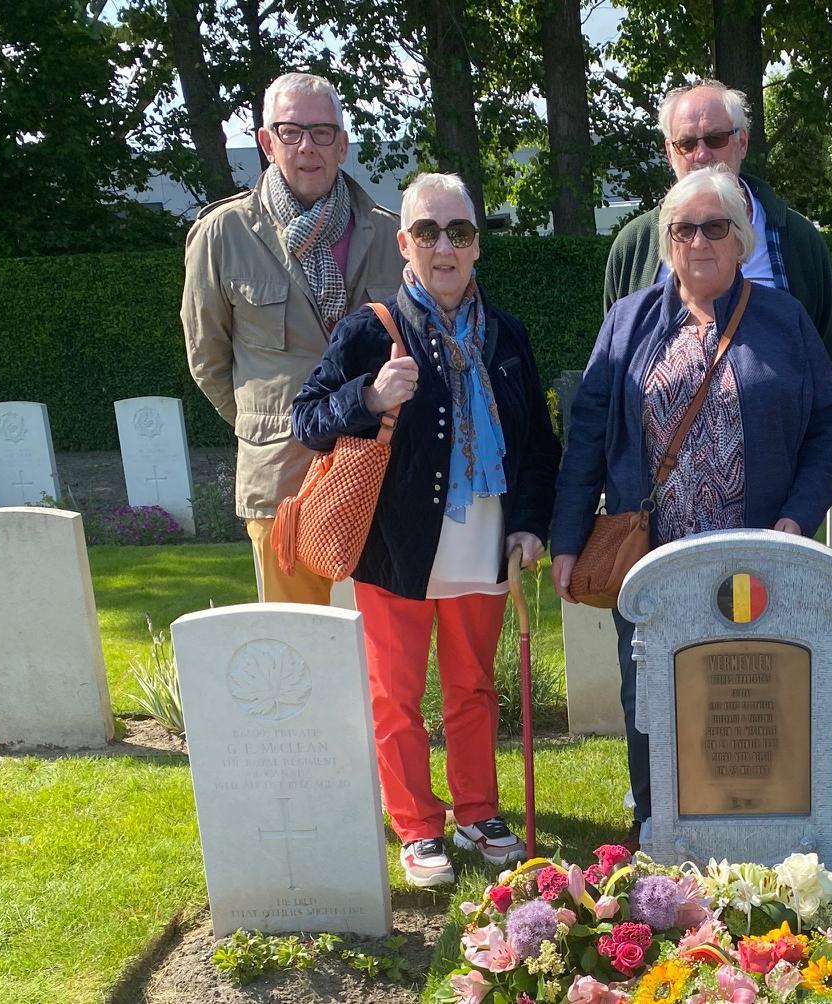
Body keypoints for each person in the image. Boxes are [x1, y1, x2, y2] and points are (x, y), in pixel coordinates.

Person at [552, 166, 832, 849]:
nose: (700, 242)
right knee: (652, 695)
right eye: (684, 229)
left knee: (752, 693)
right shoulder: (628, 323)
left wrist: (796, 518)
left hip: (758, 554)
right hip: (656, 561)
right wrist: (567, 537)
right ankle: (660, 833)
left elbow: (829, 427)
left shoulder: (784, 320)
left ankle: (763, 835)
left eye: (716, 227)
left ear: (741, 240)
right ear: (666, 242)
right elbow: (588, 435)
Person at [291, 172, 561, 888]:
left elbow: (538, 446)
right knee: (397, 695)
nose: (445, 247)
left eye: (459, 232)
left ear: (477, 245)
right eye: (428, 232)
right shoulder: (369, 329)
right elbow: (307, 419)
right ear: (404, 243)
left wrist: (530, 524)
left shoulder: (507, 334)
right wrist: (369, 395)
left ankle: (477, 811)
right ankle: (416, 824)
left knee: (473, 688)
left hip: (485, 542)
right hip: (396, 549)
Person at [183, 71, 403, 604]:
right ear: (266, 141)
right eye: (291, 131)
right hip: (282, 479)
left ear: (342, 145)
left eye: (322, 132)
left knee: (384, 643)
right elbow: (207, 358)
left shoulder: (390, 235)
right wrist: (272, 424)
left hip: (381, 468)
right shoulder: (223, 235)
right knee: (298, 643)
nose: (308, 146)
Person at [603, 79, 832, 367]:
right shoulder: (634, 245)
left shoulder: (798, 240)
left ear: (742, 143)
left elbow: (824, 365)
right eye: (687, 143)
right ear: (670, 152)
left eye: (715, 139)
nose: (702, 155)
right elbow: (615, 364)